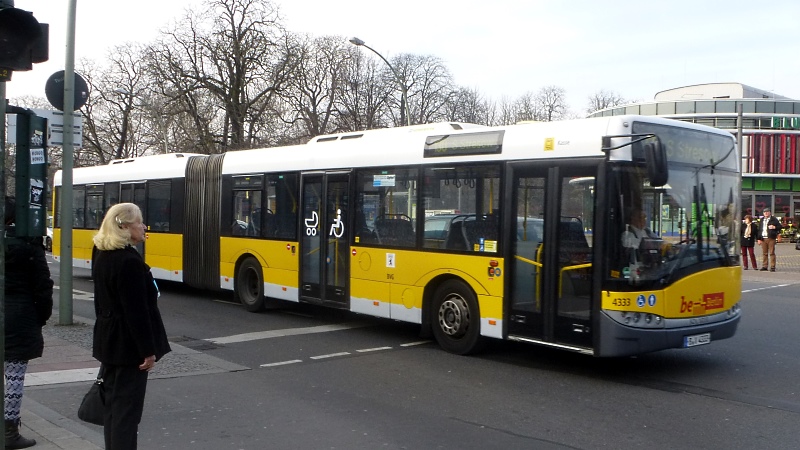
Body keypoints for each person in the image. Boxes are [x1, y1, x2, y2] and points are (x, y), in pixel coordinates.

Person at [92, 203, 170, 450]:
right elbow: (137, 312)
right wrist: (148, 351)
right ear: (124, 227)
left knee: (114, 409)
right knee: (127, 411)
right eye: (139, 222)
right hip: (129, 347)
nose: (143, 226)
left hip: (109, 339)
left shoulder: (102, 253)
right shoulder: (128, 261)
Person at [4, 196, 53, 449]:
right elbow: (43, 288)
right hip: (19, 317)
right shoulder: (29, 245)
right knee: (14, 376)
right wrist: (40, 317)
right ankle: (9, 431)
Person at [757, 207, 782, 272]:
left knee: (771, 253)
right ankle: (765, 266)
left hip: (771, 238)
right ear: (763, 213)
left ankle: (772, 266)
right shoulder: (762, 220)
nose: (766, 213)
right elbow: (759, 229)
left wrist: (775, 227)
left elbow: (780, 227)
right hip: (763, 238)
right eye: (765, 212)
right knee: (764, 253)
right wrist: (759, 239)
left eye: (767, 212)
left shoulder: (774, 219)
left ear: (770, 212)